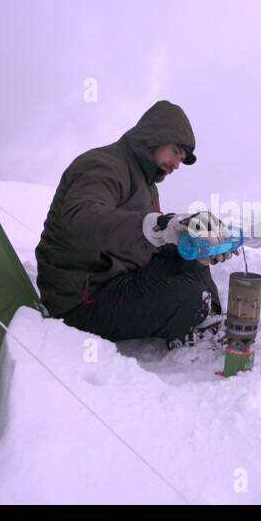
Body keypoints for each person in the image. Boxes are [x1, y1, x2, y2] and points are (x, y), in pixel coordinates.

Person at [35, 100, 239, 347]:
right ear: (154, 137)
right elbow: (79, 220)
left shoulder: (147, 184)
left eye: (182, 158)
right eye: (175, 151)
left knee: (189, 260)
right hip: (81, 296)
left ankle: (208, 320)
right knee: (189, 297)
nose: (177, 164)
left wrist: (191, 243)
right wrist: (157, 225)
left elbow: (146, 238)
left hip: (118, 275)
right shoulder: (102, 165)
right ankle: (195, 316)